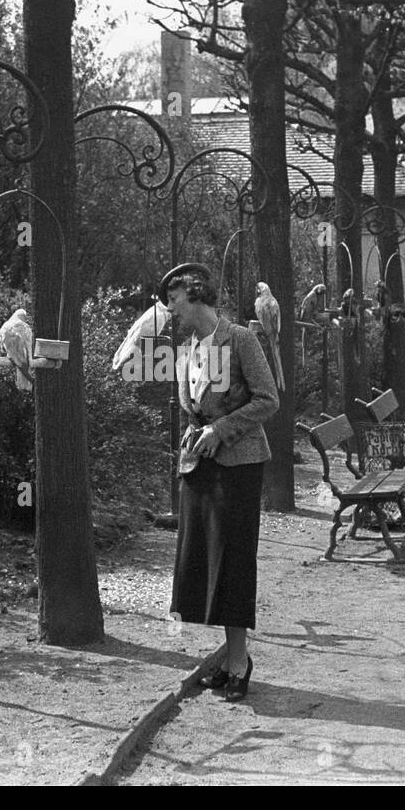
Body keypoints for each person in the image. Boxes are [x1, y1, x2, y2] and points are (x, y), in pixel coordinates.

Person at [161, 261, 279, 703]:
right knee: (203, 562)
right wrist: (197, 439)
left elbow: (269, 400)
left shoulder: (242, 339)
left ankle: (238, 661)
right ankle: (227, 658)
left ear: (195, 296)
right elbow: (191, 407)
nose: (169, 310)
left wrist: (221, 429)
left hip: (239, 467)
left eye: (173, 300)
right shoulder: (186, 349)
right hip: (201, 466)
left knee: (233, 562)